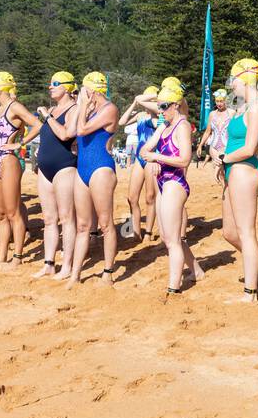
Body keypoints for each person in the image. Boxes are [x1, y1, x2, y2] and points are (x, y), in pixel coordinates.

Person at [215, 58, 258, 303]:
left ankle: (250, 293)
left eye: (233, 80)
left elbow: (250, 148)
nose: (231, 86)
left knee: (246, 232)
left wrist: (223, 157)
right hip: (232, 169)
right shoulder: (244, 105)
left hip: (244, 169)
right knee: (229, 232)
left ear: (243, 79)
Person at [139, 82, 203, 300]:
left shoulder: (182, 126)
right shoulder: (163, 126)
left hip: (175, 182)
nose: (161, 111)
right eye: (159, 107)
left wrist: (157, 158)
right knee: (168, 236)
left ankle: (173, 287)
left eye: (164, 106)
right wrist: (154, 159)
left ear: (176, 105)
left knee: (172, 240)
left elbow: (185, 159)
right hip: (163, 181)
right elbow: (144, 149)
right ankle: (196, 270)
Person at [0, 72, 42, 266]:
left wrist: (20, 144)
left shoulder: (14, 107)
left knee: (13, 213)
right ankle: (2, 255)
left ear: (2, 87)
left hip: (7, 160)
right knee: (0, 213)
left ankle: (18, 256)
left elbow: (37, 125)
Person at [67, 72, 119, 286]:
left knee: (105, 224)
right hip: (83, 168)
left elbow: (82, 129)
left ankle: (108, 271)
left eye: (83, 89)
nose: (80, 93)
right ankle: (75, 275)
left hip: (101, 169)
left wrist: (81, 107)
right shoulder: (89, 109)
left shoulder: (110, 109)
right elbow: (76, 134)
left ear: (92, 90)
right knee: (82, 225)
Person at [28, 71, 79, 279]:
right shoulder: (52, 109)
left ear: (67, 87)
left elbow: (67, 134)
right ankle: (49, 263)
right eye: (50, 84)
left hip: (65, 166)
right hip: (45, 169)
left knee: (67, 218)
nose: (50, 87)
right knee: (49, 219)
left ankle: (66, 265)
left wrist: (48, 117)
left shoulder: (74, 109)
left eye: (55, 84)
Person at [118, 87, 160, 241]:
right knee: (132, 197)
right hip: (139, 158)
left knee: (150, 197)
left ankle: (148, 233)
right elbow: (122, 122)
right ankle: (135, 232)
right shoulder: (141, 115)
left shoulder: (159, 117)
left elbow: (158, 125)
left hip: (151, 159)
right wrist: (134, 104)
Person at [196, 88, 232, 165]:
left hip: (228, 148)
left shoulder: (232, 113)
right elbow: (207, 132)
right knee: (219, 175)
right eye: (217, 101)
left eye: (221, 101)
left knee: (228, 174)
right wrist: (200, 145)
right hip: (214, 149)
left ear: (226, 101)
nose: (219, 104)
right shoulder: (212, 114)